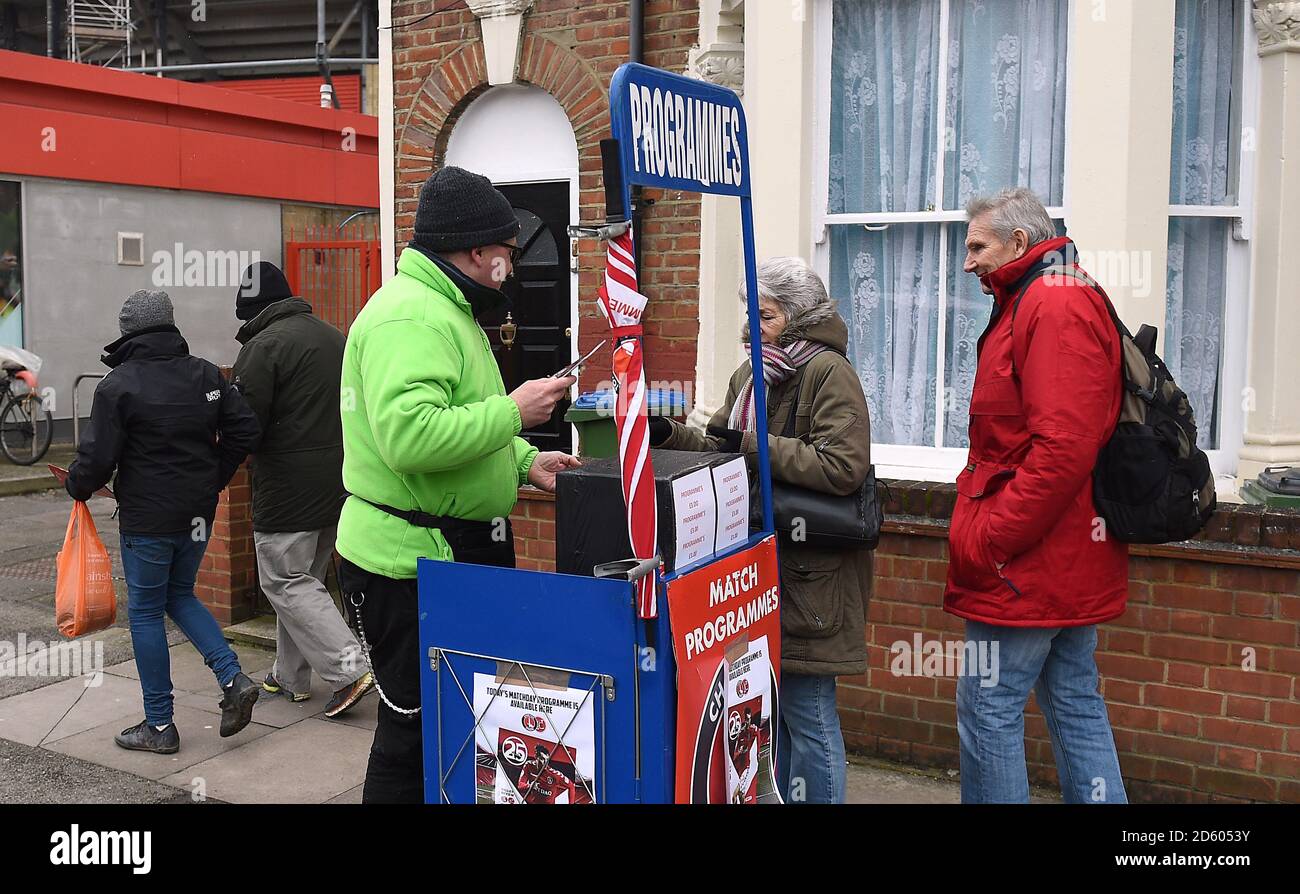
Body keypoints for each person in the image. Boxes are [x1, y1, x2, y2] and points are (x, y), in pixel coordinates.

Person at [335, 165, 581, 803]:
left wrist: (526, 461)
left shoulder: (446, 308)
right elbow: (411, 438)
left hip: (448, 555)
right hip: (407, 565)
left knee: (455, 724)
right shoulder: (411, 318)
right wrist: (515, 411)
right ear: (477, 252)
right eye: (507, 251)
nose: (512, 264)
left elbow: (461, 416)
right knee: (411, 730)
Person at [649, 257, 873, 804]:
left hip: (814, 573)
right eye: (750, 311)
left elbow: (844, 466)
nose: (751, 326)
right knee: (776, 717)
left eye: (765, 314)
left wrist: (753, 447)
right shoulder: (750, 373)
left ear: (797, 316)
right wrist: (667, 432)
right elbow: (722, 446)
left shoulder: (827, 372)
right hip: (760, 566)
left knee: (810, 718)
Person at [945, 186, 1128, 804]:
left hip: (1030, 559)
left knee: (988, 705)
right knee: (1073, 697)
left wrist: (996, 539)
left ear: (1019, 241)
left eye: (977, 246)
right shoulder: (1037, 297)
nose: (966, 262)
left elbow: (1064, 448)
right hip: (1056, 555)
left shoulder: (1051, 303)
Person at [65, 289, 263, 754]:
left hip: (148, 519)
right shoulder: (205, 374)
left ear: (128, 331)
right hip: (197, 515)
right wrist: (213, 476)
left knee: (148, 612)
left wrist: (76, 485)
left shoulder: (118, 385)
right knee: (180, 595)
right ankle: (232, 678)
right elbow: (245, 430)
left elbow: (96, 459)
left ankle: (159, 725)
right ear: (169, 326)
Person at [231, 261, 374, 717]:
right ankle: (289, 677)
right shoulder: (332, 335)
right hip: (339, 480)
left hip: (287, 487)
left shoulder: (263, 347)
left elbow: (245, 427)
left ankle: (349, 669)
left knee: (284, 579)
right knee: (304, 580)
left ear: (253, 309)